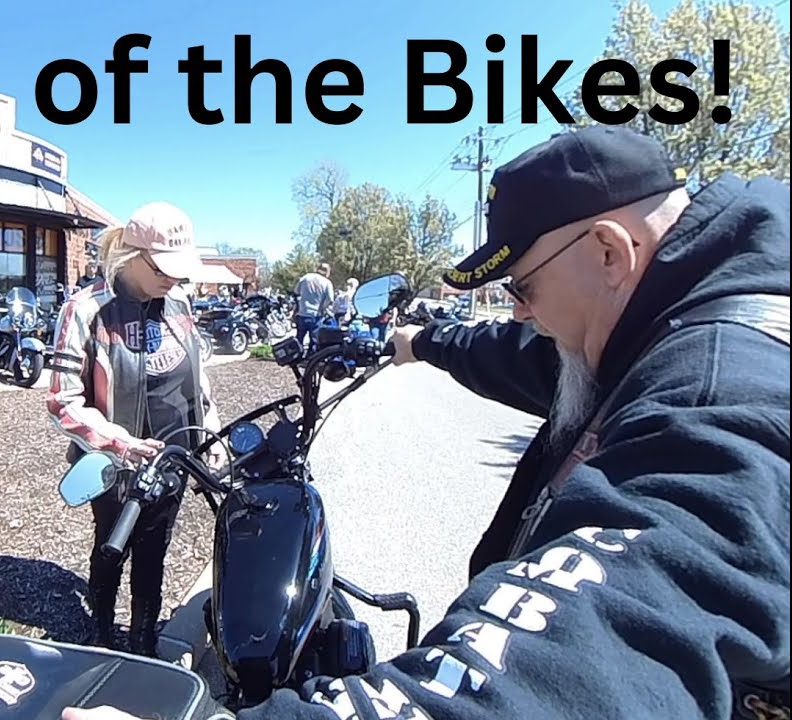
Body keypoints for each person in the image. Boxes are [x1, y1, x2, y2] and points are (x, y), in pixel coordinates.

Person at [62, 126, 790, 719]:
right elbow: (538, 358)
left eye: (523, 287)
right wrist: (417, 343)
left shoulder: (719, 391)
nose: (522, 312)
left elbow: (568, 661)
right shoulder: (671, 315)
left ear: (609, 250)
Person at [46, 201, 227, 658]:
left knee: (154, 552)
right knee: (110, 547)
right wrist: (120, 443)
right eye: (163, 269)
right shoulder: (86, 310)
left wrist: (211, 430)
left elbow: (197, 377)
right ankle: (102, 631)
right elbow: (62, 402)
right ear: (132, 255)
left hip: (174, 459)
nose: (173, 279)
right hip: (113, 465)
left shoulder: (179, 304)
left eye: (179, 270)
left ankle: (144, 640)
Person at [294, 263, 334, 351]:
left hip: (302, 313)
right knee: (314, 340)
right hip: (315, 315)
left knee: (299, 339)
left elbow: (296, 292)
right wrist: (323, 308)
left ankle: (296, 357)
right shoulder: (327, 283)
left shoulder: (306, 278)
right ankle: (310, 360)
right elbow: (330, 299)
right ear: (327, 272)